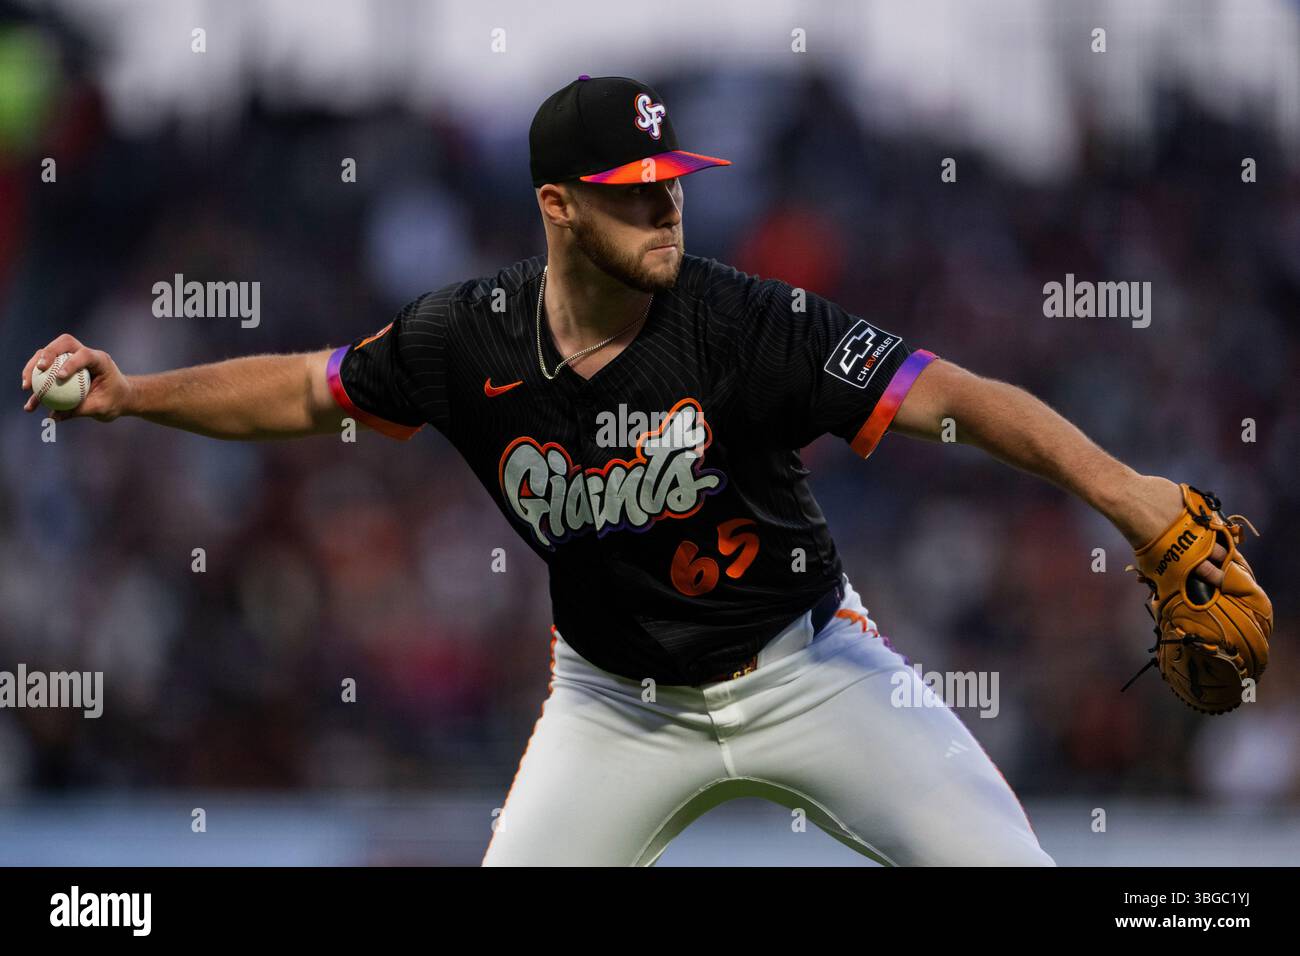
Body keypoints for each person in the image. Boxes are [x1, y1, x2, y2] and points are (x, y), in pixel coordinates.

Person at [20, 75, 1231, 866]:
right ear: (556, 206)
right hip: (612, 707)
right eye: (632, 194)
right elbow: (304, 388)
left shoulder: (741, 320)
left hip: (812, 669)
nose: (665, 210)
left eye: (671, 185)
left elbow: (954, 396)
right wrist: (135, 394)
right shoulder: (464, 338)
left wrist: (1128, 496)